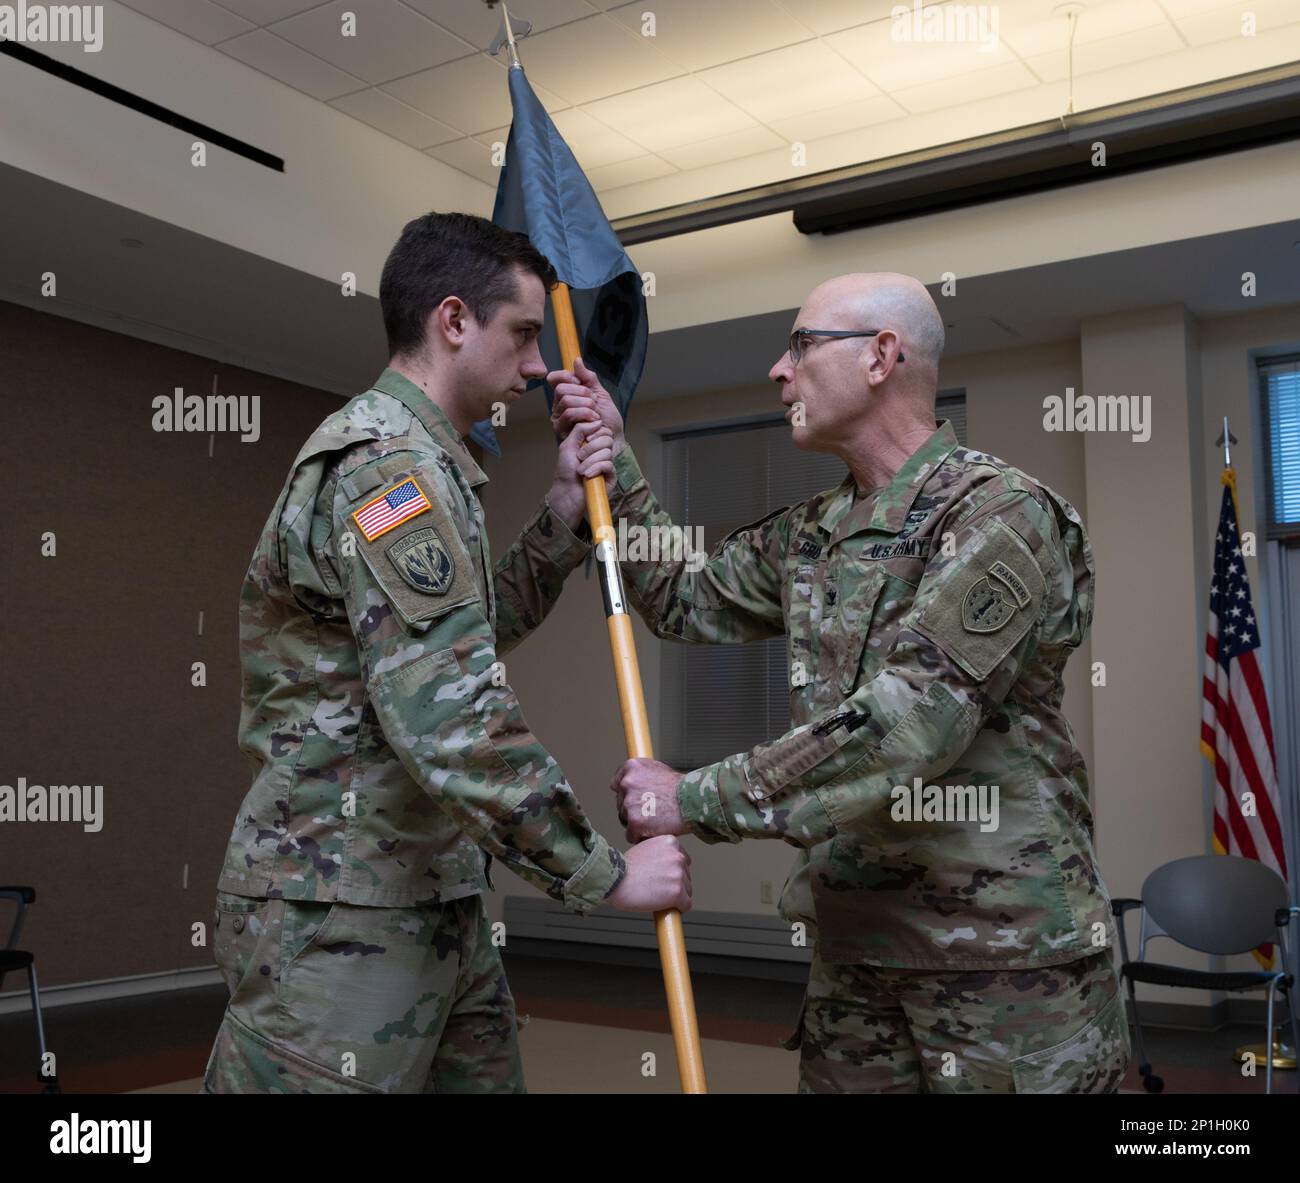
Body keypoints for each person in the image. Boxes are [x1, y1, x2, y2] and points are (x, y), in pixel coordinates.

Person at [550, 271, 1130, 1094]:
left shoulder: (999, 514)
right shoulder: (815, 532)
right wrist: (621, 458)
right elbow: (685, 598)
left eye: (801, 345)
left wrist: (695, 798)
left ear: (881, 356)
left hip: (1003, 962)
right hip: (854, 950)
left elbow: (912, 721)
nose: (778, 371)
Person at [203, 211, 691, 1095]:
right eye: (525, 332)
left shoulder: (435, 463)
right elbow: (451, 711)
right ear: (454, 320)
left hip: (428, 890)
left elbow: (455, 637)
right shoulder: (388, 468)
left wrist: (558, 520)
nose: (540, 364)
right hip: (341, 907)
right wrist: (602, 872)